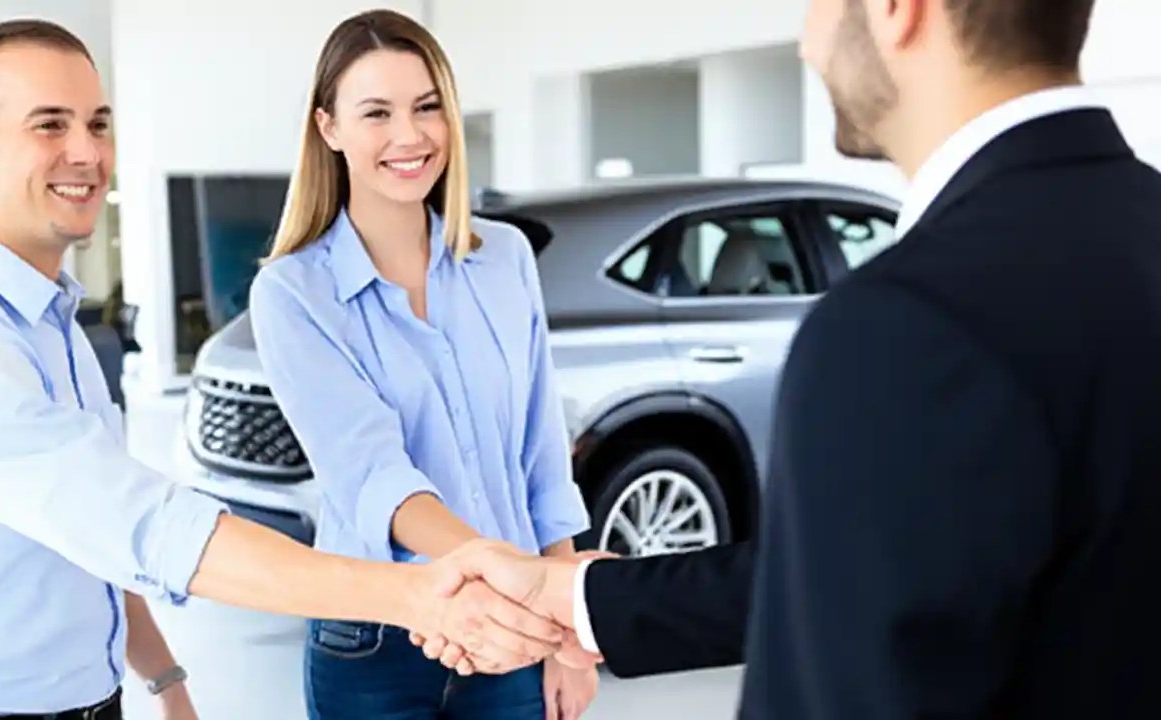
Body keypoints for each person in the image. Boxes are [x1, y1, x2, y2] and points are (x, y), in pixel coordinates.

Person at [429, 0, 1161, 716]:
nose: (809, 43)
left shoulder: (902, 321)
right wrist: (577, 600)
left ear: (899, 10)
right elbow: (876, 576)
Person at [0, 19, 568, 720]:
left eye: (98, 123)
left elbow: (92, 546)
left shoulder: (55, 330)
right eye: (49, 125)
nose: (86, 152)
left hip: (93, 705)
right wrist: (427, 593)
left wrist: (165, 680)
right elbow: (143, 524)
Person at [247, 9, 600, 720]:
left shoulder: (504, 259)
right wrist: (511, 577)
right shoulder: (293, 293)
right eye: (376, 112)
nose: (409, 136)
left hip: (513, 633)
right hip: (375, 644)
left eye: (427, 107)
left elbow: (540, 456)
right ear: (329, 128)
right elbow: (374, 477)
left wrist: (564, 628)